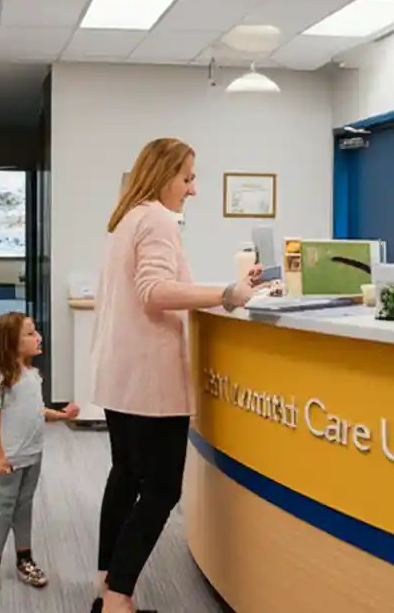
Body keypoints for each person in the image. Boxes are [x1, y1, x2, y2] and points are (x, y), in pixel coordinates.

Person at [89, 138, 260, 613]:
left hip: (119, 374)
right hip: (148, 381)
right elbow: (154, 291)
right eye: (187, 178)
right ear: (165, 175)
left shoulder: (127, 217)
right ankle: (118, 598)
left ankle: (108, 578)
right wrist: (227, 293)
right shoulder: (158, 220)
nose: (193, 189)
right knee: (162, 489)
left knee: (125, 475)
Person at [0, 312, 80, 602]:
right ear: (12, 342)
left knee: (24, 507)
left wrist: (61, 415)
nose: (39, 338)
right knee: (4, 510)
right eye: (31, 333)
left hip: (34, 456)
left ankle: (24, 559)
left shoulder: (33, 375)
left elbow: (36, 410)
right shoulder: (2, 378)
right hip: (8, 460)